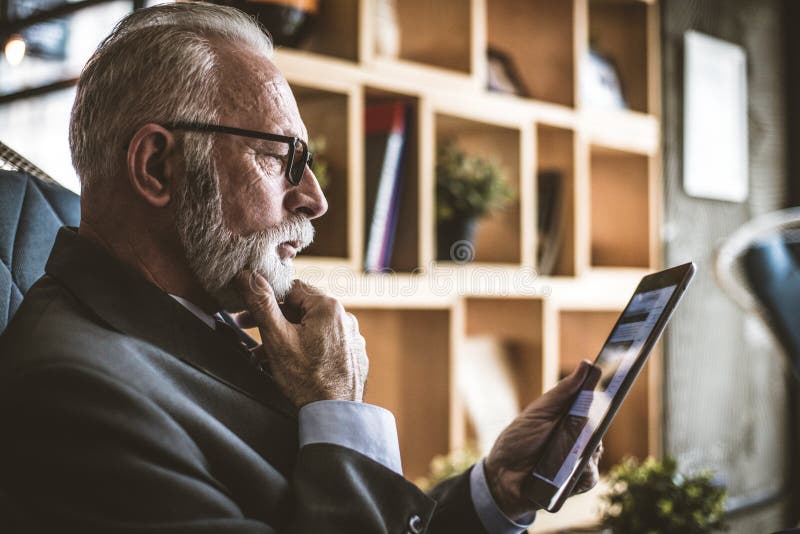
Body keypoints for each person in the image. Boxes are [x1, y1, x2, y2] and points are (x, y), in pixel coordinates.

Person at [0, 3, 601, 533]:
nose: (316, 198)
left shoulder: (194, 315)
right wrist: (338, 409)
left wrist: (494, 492)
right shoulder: (75, 398)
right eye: (278, 157)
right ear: (158, 167)